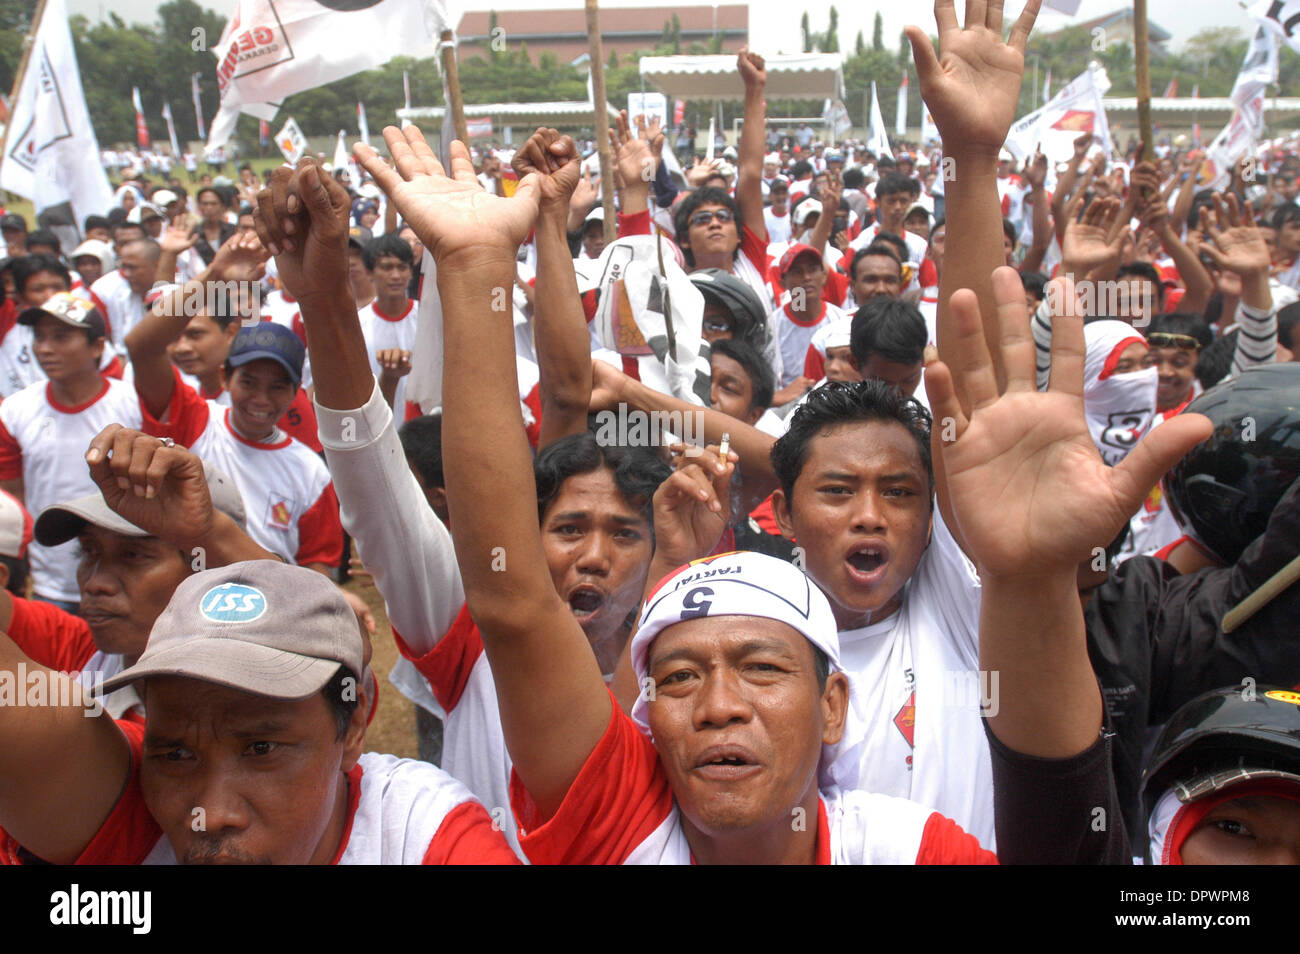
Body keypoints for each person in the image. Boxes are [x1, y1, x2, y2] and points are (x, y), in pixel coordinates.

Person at [349, 120, 1133, 866]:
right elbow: (514, 604)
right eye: (681, 678)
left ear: (835, 706)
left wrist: (1032, 579)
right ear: (642, 717)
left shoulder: (902, 847)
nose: (720, 705)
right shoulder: (624, 830)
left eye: (763, 668)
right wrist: (477, 267)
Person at [252, 145, 670, 854]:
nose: (593, 557)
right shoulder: (472, 637)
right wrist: (322, 301)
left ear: (663, 551)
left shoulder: (694, 676)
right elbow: (374, 482)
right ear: (527, 535)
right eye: (569, 528)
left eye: (625, 535)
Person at [0, 551, 519, 864]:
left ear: (354, 726)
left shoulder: (418, 836)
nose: (212, 813)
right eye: (176, 755)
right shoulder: (125, 801)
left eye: (261, 748)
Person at [128, 292, 343, 575]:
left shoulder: (312, 473)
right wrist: (214, 274)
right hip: (189, 602)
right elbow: (141, 347)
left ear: (295, 394)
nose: (261, 399)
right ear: (225, 378)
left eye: (277, 387)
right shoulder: (195, 421)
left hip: (271, 609)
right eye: (249, 382)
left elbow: (317, 564)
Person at [0, 293, 143, 611]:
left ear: (97, 347)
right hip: (49, 582)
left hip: (126, 578)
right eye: (39, 337)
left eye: (61, 337)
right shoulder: (15, 411)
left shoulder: (133, 404)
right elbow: (13, 498)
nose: (45, 348)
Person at [357, 234, 416, 413]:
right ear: (369, 272)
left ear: (411, 272)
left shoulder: (430, 320)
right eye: (387, 267)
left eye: (402, 267)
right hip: (376, 428)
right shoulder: (357, 326)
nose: (396, 275)